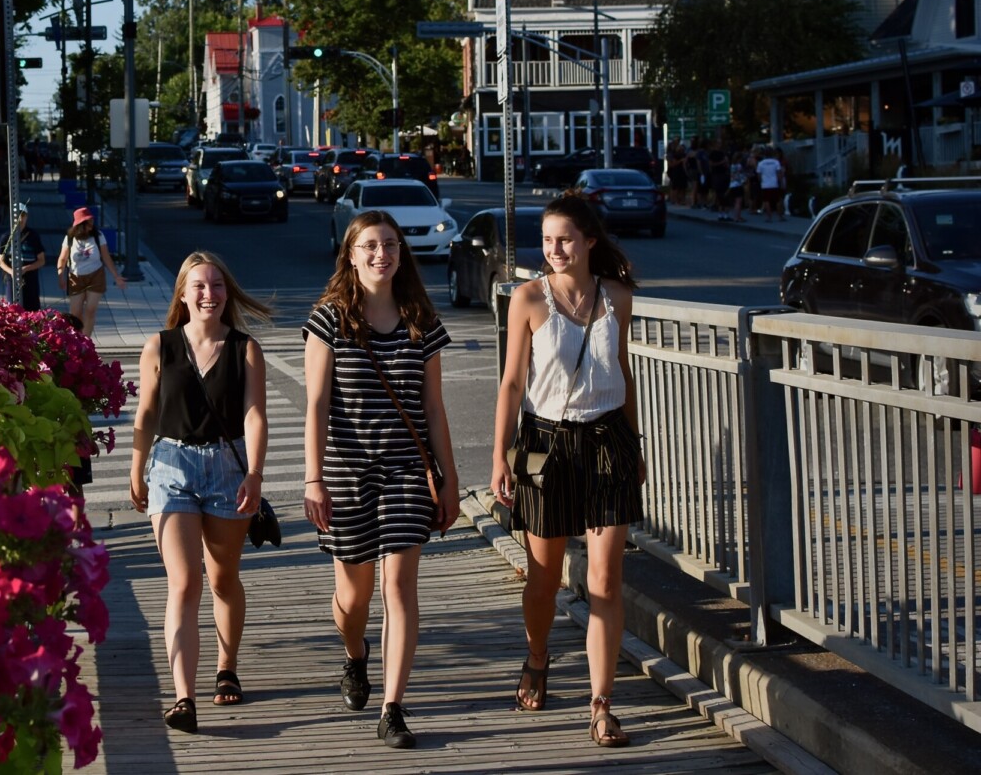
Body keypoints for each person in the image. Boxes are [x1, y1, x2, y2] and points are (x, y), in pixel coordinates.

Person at [490, 193, 643, 749]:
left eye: (565, 239)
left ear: (590, 242)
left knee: (604, 579)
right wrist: (499, 456)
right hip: (543, 445)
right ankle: (537, 656)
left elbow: (621, 371)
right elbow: (511, 383)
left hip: (607, 442)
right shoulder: (529, 298)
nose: (553, 249)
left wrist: (635, 443)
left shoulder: (618, 299)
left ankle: (602, 703)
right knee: (545, 578)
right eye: (548, 239)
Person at [302, 211, 458, 749]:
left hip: (406, 472)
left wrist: (451, 482)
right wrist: (312, 479)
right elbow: (317, 404)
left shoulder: (421, 318)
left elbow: (434, 408)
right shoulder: (329, 319)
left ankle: (393, 707)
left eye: (389, 245)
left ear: (401, 253)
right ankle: (355, 654)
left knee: (399, 587)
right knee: (355, 596)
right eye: (369, 246)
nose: (380, 255)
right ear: (351, 255)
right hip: (346, 471)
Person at [128, 251, 272, 735]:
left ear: (226, 293)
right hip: (171, 465)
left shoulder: (245, 349)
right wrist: (136, 466)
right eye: (199, 286)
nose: (209, 294)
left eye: (217, 286)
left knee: (222, 578)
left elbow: (254, 414)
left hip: (227, 468)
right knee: (184, 582)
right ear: (183, 295)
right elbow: (146, 413)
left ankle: (226, 665)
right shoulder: (159, 347)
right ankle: (184, 696)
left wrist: (255, 472)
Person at [56, 207, 127, 338]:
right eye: (87, 222)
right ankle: (77, 339)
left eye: (91, 221)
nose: (91, 225)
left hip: (96, 276)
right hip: (76, 277)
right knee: (75, 313)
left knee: (90, 310)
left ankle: (86, 340)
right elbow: (62, 258)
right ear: (80, 225)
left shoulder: (98, 236)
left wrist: (116, 276)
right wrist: (61, 275)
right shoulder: (70, 238)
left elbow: (106, 257)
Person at [0, 203, 47, 311]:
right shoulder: (6, 237)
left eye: (22, 215)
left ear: (26, 217)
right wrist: (11, 271)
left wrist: (26, 269)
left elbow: (41, 260)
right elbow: (0, 261)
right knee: (13, 309)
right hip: (11, 278)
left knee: (32, 310)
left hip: (30, 278)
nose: (20, 219)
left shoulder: (33, 236)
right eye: (16, 216)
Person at [757, 147, 786, 222]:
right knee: (777, 200)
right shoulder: (776, 162)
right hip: (774, 184)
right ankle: (780, 216)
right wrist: (779, 182)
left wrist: (762, 182)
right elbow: (779, 174)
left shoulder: (760, 163)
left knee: (767, 201)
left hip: (765, 185)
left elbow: (759, 175)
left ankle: (769, 217)